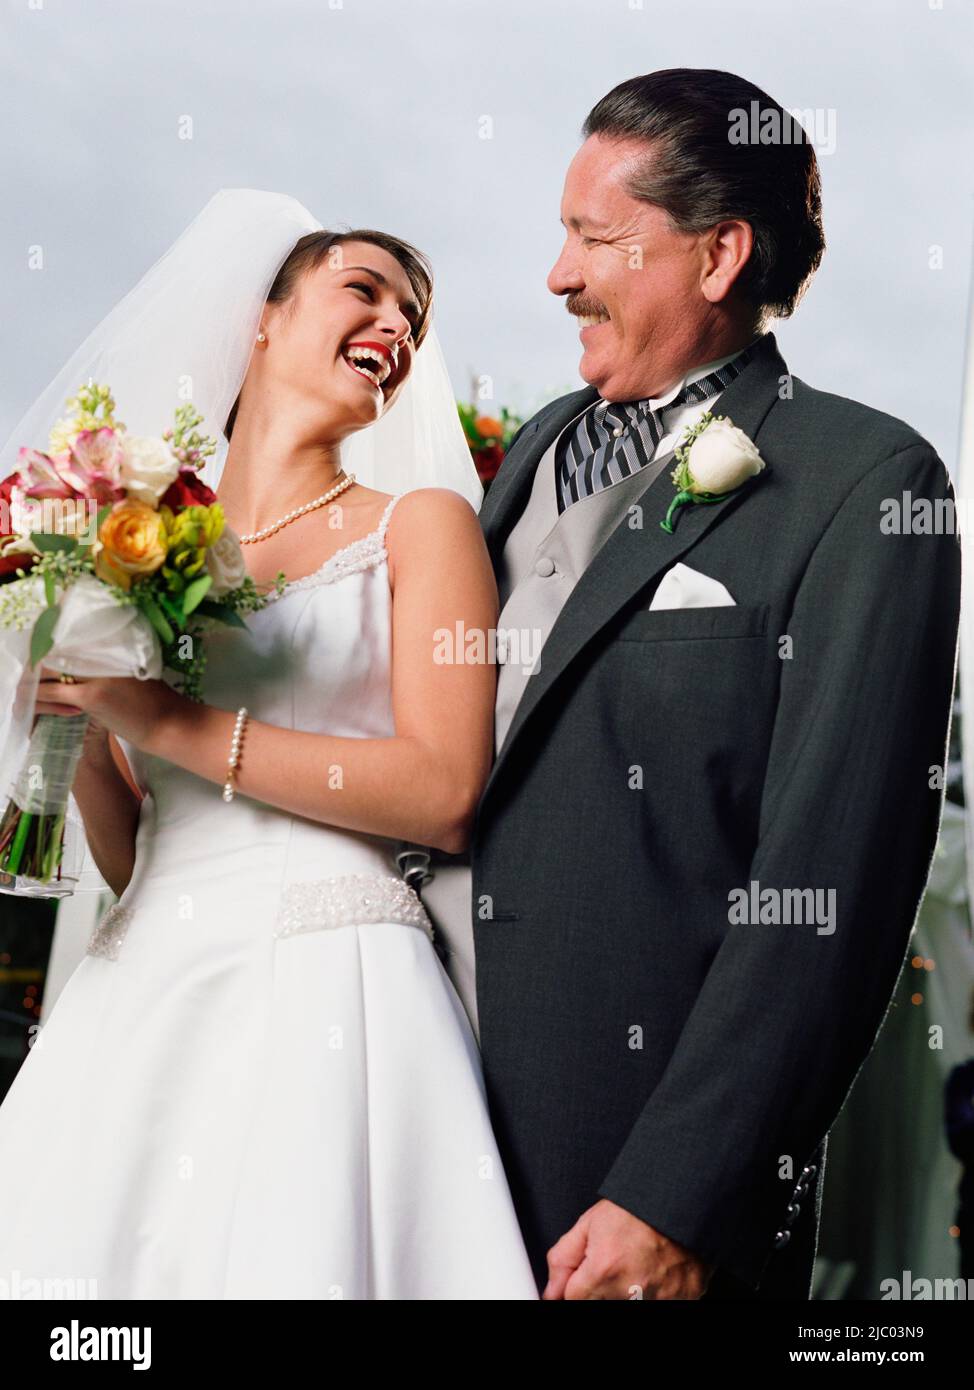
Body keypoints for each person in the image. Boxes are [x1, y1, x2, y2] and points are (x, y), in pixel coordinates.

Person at [419, 67, 963, 1300]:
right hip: (425, 1133)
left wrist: (678, 1192)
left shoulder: (865, 481)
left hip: (623, 1194)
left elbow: (830, 879)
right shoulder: (534, 448)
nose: (556, 275)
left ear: (718, 256)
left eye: (594, 238)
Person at [0, 191, 538, 1300]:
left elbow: (442, 791)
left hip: (328, 979)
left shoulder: (419, 523)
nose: (395, 326)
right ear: (261, 319)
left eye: (412, 318)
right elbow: (135, 852)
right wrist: (90, 727)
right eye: (364, 291)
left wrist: (166, 721)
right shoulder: (137, 539)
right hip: (144, 980)